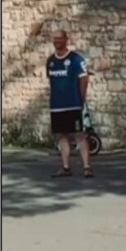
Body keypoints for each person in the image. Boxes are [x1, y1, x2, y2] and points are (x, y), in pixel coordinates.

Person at [46, 29, 93, 178]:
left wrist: (81, 98)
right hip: (57, 106)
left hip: (73, 104)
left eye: (60, 38)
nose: (57, 41)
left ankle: (86, 167)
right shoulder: (50, 61)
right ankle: (66, 167)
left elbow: (84, 79)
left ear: (66, 39)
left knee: (80, 135)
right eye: (55, 39)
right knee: (62, 136)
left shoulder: (76, 59)